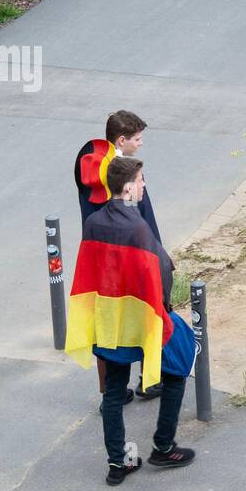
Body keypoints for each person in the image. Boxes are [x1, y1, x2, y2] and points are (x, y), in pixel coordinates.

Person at [65, 157, 197, 485]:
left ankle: (117, 463)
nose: (143, 186)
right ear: (127, 188)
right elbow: (159, 273)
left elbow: (90, 271)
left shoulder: (94, 222)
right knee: (178, 367)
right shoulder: (138, 228)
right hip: (141, 318)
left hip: (108, 320)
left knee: (113, 390)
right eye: (140, 180)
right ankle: (163, 446)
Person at [73, 109, 163, 404]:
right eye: (137, 139)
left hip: (100, 253)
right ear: (121, 140)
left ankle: (109, 391)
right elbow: (143, 217)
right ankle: (148, 382)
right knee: (146, 311)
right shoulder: (124, 175)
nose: (140, 144)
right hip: (132, 250)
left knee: (107, 320)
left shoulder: (92, 162)